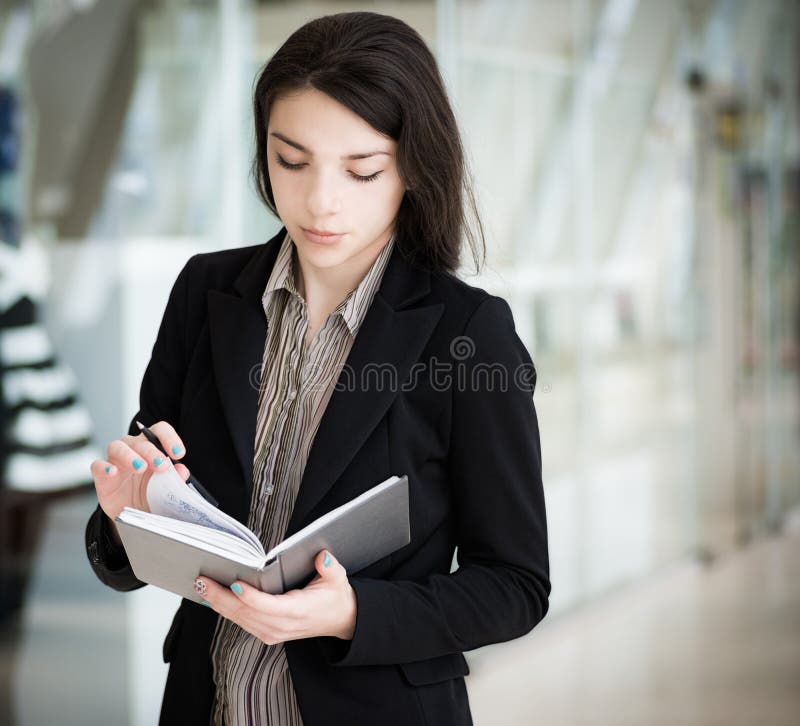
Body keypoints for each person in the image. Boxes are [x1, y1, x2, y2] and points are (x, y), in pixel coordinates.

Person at [85, 11, 550, 726]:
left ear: (414, 167)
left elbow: (516, 585)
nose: (320, 202)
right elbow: (141, 538)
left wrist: (352, 612)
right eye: (290, 162)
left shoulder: (468, 334)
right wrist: (125, 518)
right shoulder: (205, 294)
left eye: (362, 169)